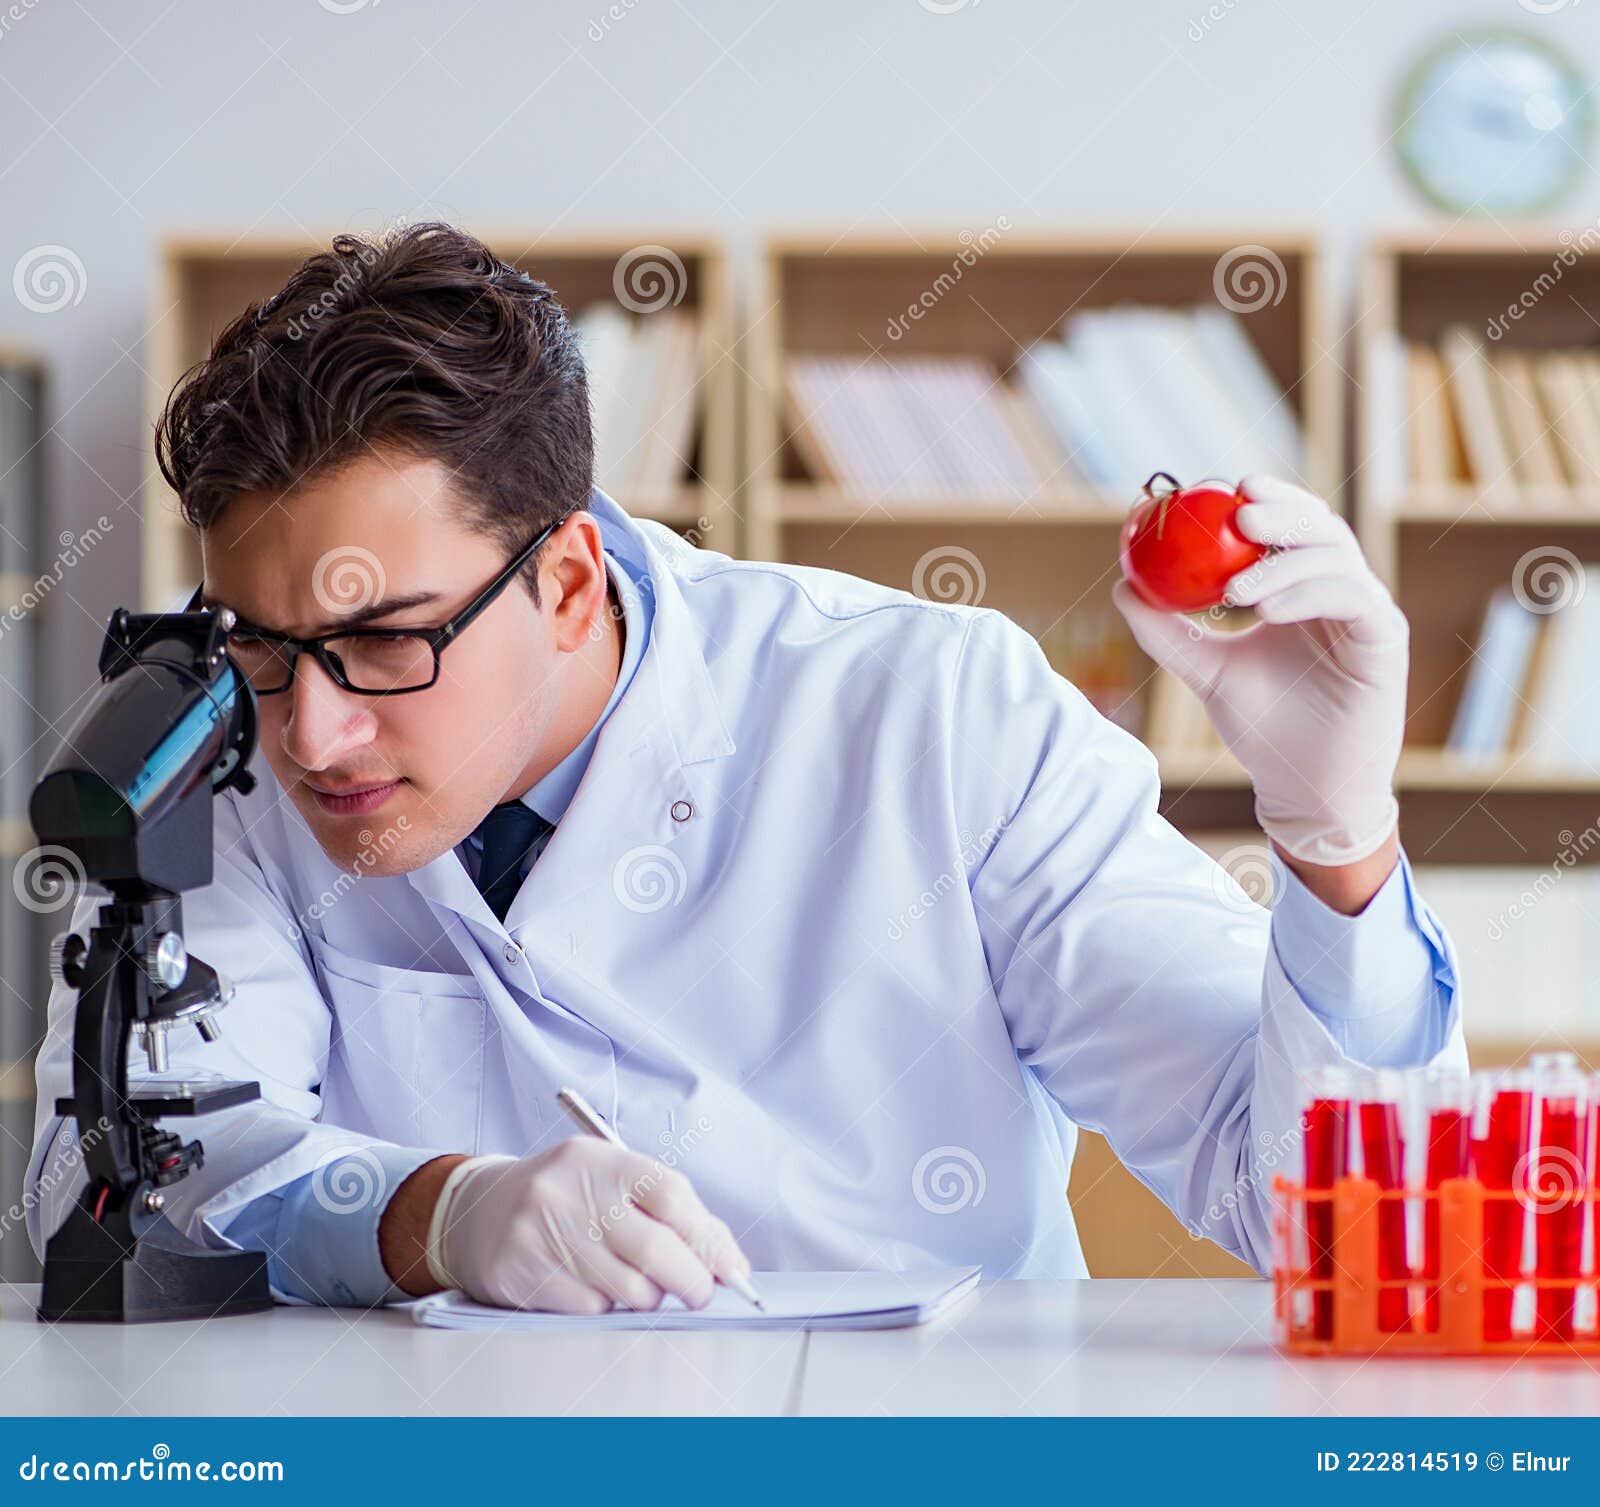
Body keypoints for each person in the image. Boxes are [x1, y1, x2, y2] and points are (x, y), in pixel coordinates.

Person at [27, 222, 1462, 1313]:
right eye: (265, 646)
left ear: (572, 583)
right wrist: (430, 1211)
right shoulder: (219, 748)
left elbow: (1330, 1229)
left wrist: (1335, 838)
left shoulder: (935, 712)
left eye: (388, 642)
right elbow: (115, 1178)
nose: (312, 735)